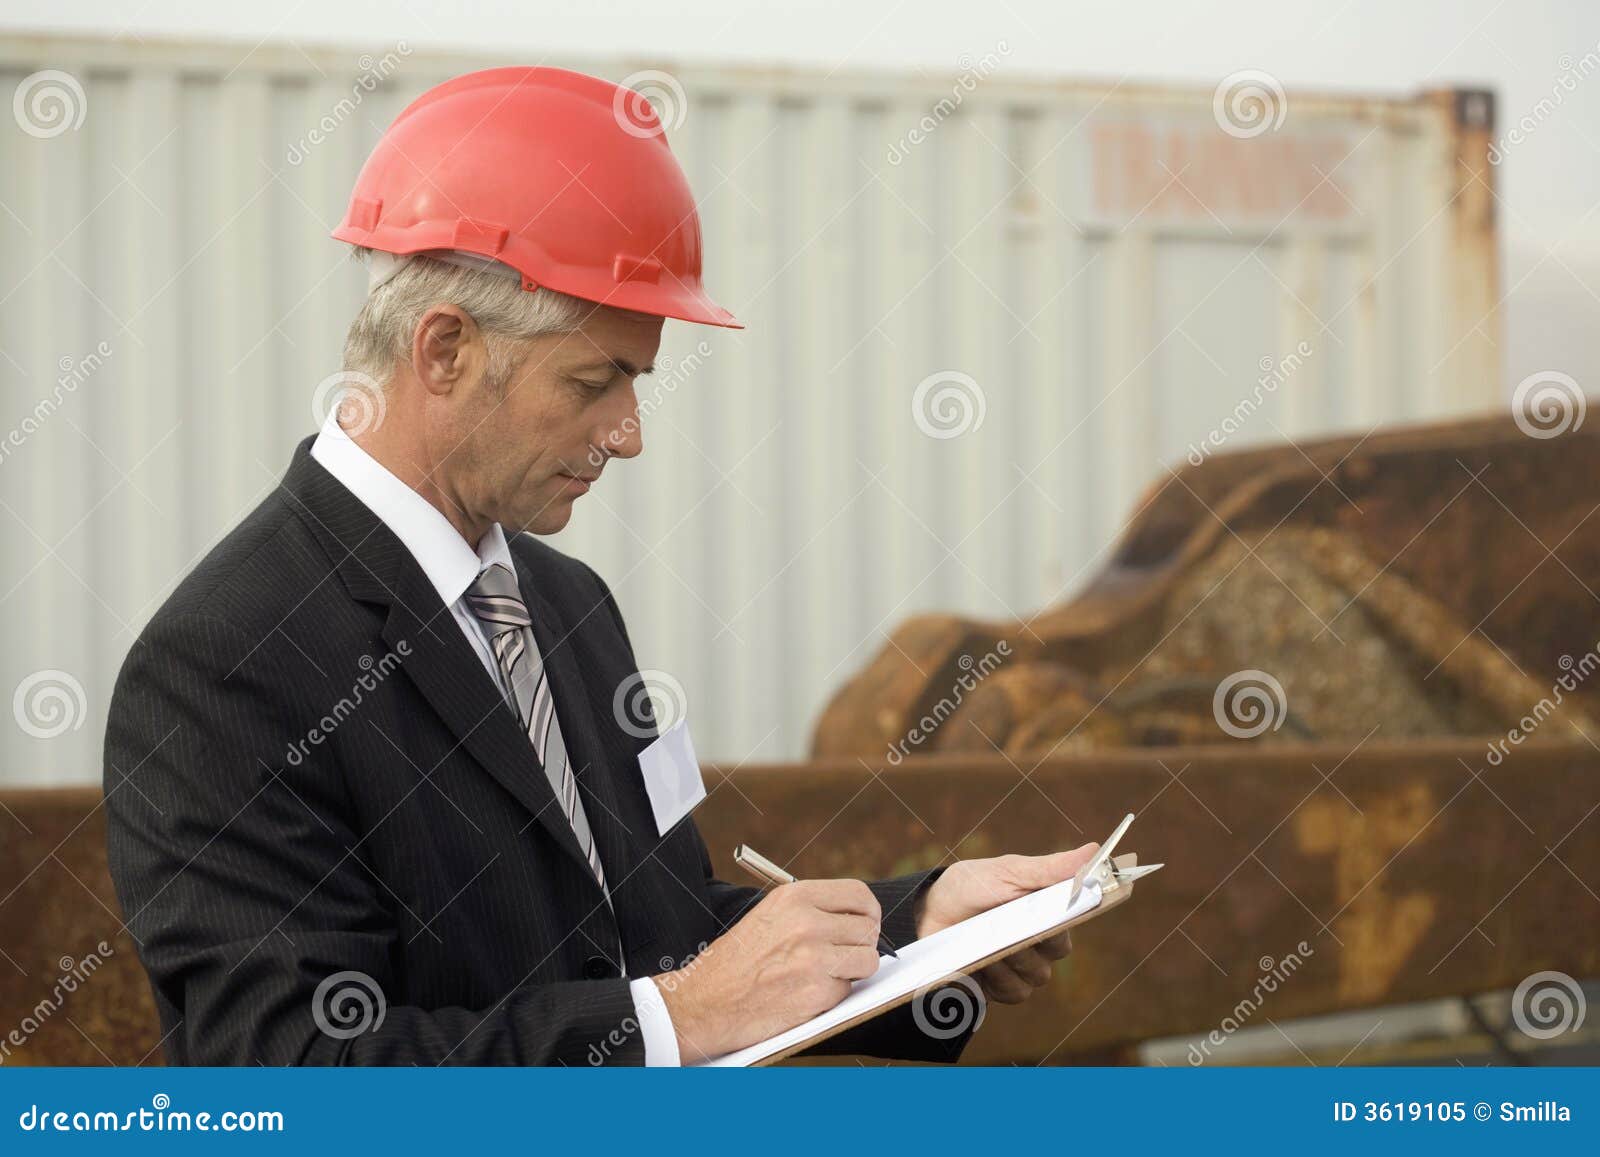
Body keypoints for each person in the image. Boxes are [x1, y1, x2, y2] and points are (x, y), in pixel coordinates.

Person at [102, 65, 1097, 1066]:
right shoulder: (225, 661)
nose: (626, 436)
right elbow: (288, 1071)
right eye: (594, 381)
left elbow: (658, 929)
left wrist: (920, 924)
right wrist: (676, 1019)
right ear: (443, 349)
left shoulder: (565, 606)